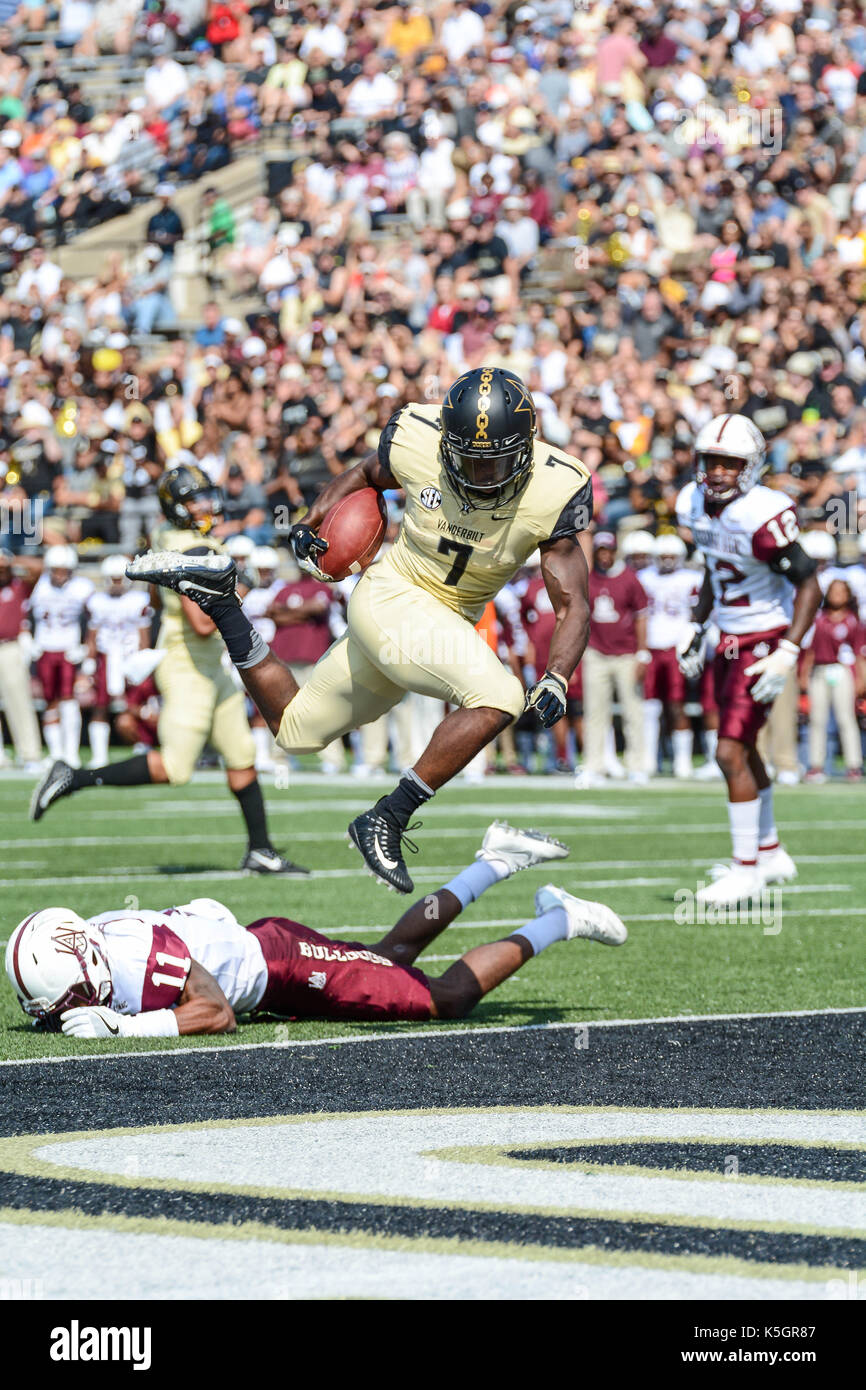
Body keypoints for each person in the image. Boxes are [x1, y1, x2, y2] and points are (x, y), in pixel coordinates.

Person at [127, 368, 594, 894]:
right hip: (393, 595)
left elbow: (573, 599)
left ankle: (221, 600)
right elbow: (366, 474)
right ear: (446, 442)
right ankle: (388, 819)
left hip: (440, 621)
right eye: (468, 458)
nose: (481, 474)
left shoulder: (556, 487)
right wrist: (312, 518)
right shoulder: (418, 440)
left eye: (496, 461)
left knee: (297, 732)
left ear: (528, 448)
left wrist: (557, 675)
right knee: (500, 695)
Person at [6, 823, 626, 1039]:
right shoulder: (101, 944)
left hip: (282, 967)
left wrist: (126, 1025)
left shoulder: (140, 956)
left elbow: (215, 1013)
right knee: (392, 958)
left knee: (445, 998)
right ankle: (495, 860)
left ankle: (558, 918)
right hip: (268, 961)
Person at [29, 466, 305, 876]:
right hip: (187, 666)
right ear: (177, 507)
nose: (207, 505)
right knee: (175, 768)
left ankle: (260, 850)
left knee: (242, 756)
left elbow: (163, 605)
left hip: (209, 664)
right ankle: (73, 776)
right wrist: (242, 585)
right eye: (196, 499)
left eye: (207, 496)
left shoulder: (178, 539)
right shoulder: (190, 548)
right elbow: (202, 622)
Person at [676, 414, 822, 907]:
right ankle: (770, 852)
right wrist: (697, 627)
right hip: (728, 636)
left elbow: (810, 584)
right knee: (745, 746)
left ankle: (746, 870)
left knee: (728, 751)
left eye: (729, 463)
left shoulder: (764, 513)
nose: (716, 472)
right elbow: (715, 571)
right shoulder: (692, 504)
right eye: (711, 461)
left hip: (765, 637)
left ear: (752, 466)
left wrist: (788, 650)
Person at [638, 533, 701, 779]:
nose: (666, 561)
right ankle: (649, 759)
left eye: (671, 557)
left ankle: (682, 761)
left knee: (677, 705)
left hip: (677, 646)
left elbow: (698, 613)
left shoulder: (690, 579)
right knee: (649, 707)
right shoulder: (645, 577)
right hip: (652, 646)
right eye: (662, 557)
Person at [28, 545, 93, 769]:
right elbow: (29, 615)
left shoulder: (82, 587)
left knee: (69, 699)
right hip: (45, 647)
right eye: (55, 569)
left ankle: (71, 752)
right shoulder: (40, 585)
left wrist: (85, 646)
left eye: (63, 570)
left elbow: (93, 620)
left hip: (68, 649)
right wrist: (30, 639)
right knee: (50, 700)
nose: (59, 575)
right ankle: (56, 753)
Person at [801, 578, 865, 782]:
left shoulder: (853, 621)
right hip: (820, 671)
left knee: (846, 718)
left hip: (841, 670)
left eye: (841, 592)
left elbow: (859, 654)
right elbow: (810, 651)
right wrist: (804, 674)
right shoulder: (818, 619)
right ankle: (816, 765)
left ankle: (853, 765)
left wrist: (861, 678)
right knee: (817, 719)